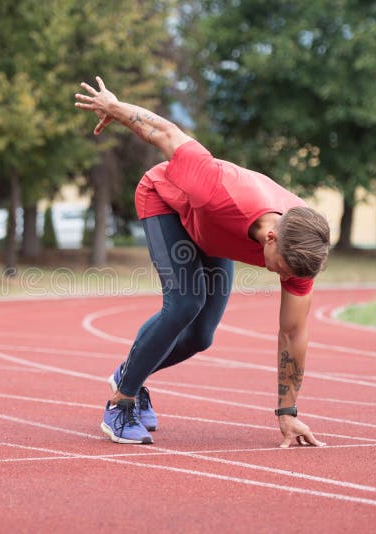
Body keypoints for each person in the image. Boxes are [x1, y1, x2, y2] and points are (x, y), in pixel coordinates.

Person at [75, 76, 329, 448]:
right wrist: (114, 106)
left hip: (213, 232)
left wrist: (287, 413)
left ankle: (130, 372)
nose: (279, 276)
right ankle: (121, 403)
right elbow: (165, 133)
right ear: (271, 237)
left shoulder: (302, 245)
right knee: (184, 303)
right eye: (279, 268)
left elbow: (292, 333)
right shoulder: (216, 188)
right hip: (167, 203)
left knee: (200, 337)